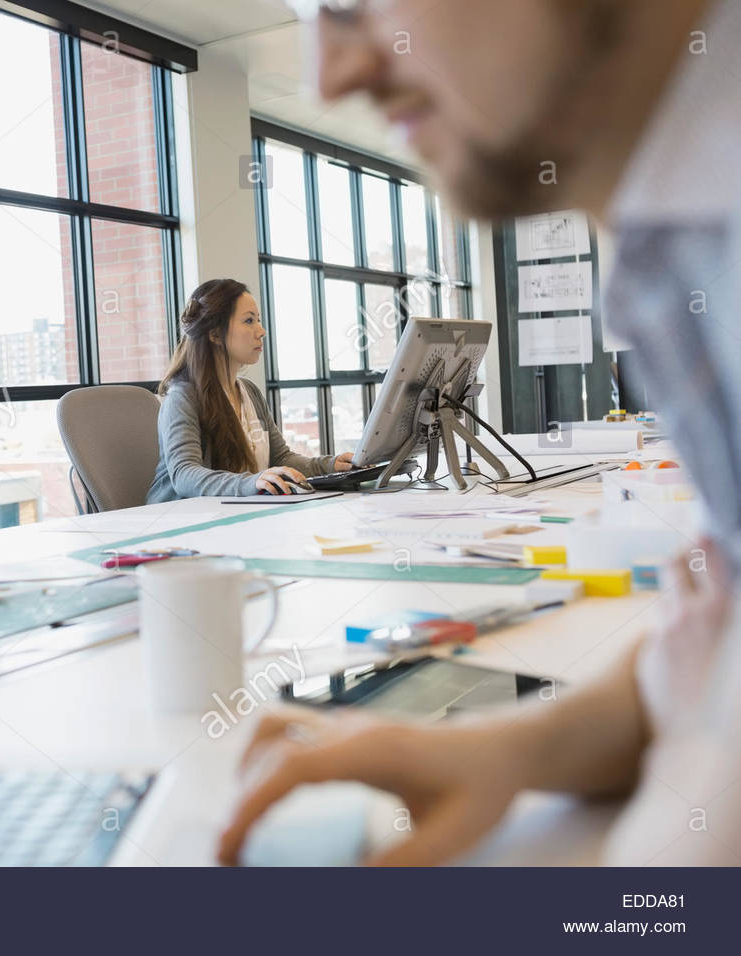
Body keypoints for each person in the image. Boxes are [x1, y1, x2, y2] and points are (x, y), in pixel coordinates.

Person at [220, 0, 741, 865]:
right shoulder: (682, 248)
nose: (330, 74)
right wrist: (498, 753)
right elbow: (707, 643)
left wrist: (695, 767)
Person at [147, 278, 353, 502]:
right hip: (181, 521)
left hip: (235, 513)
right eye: (248, 321)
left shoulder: (249, 392)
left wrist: (332, 465)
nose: (261, 331)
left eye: (258, 320)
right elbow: (184, 475)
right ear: (214, 334)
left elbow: (281, 458)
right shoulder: (183, 396)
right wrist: (250, 482)